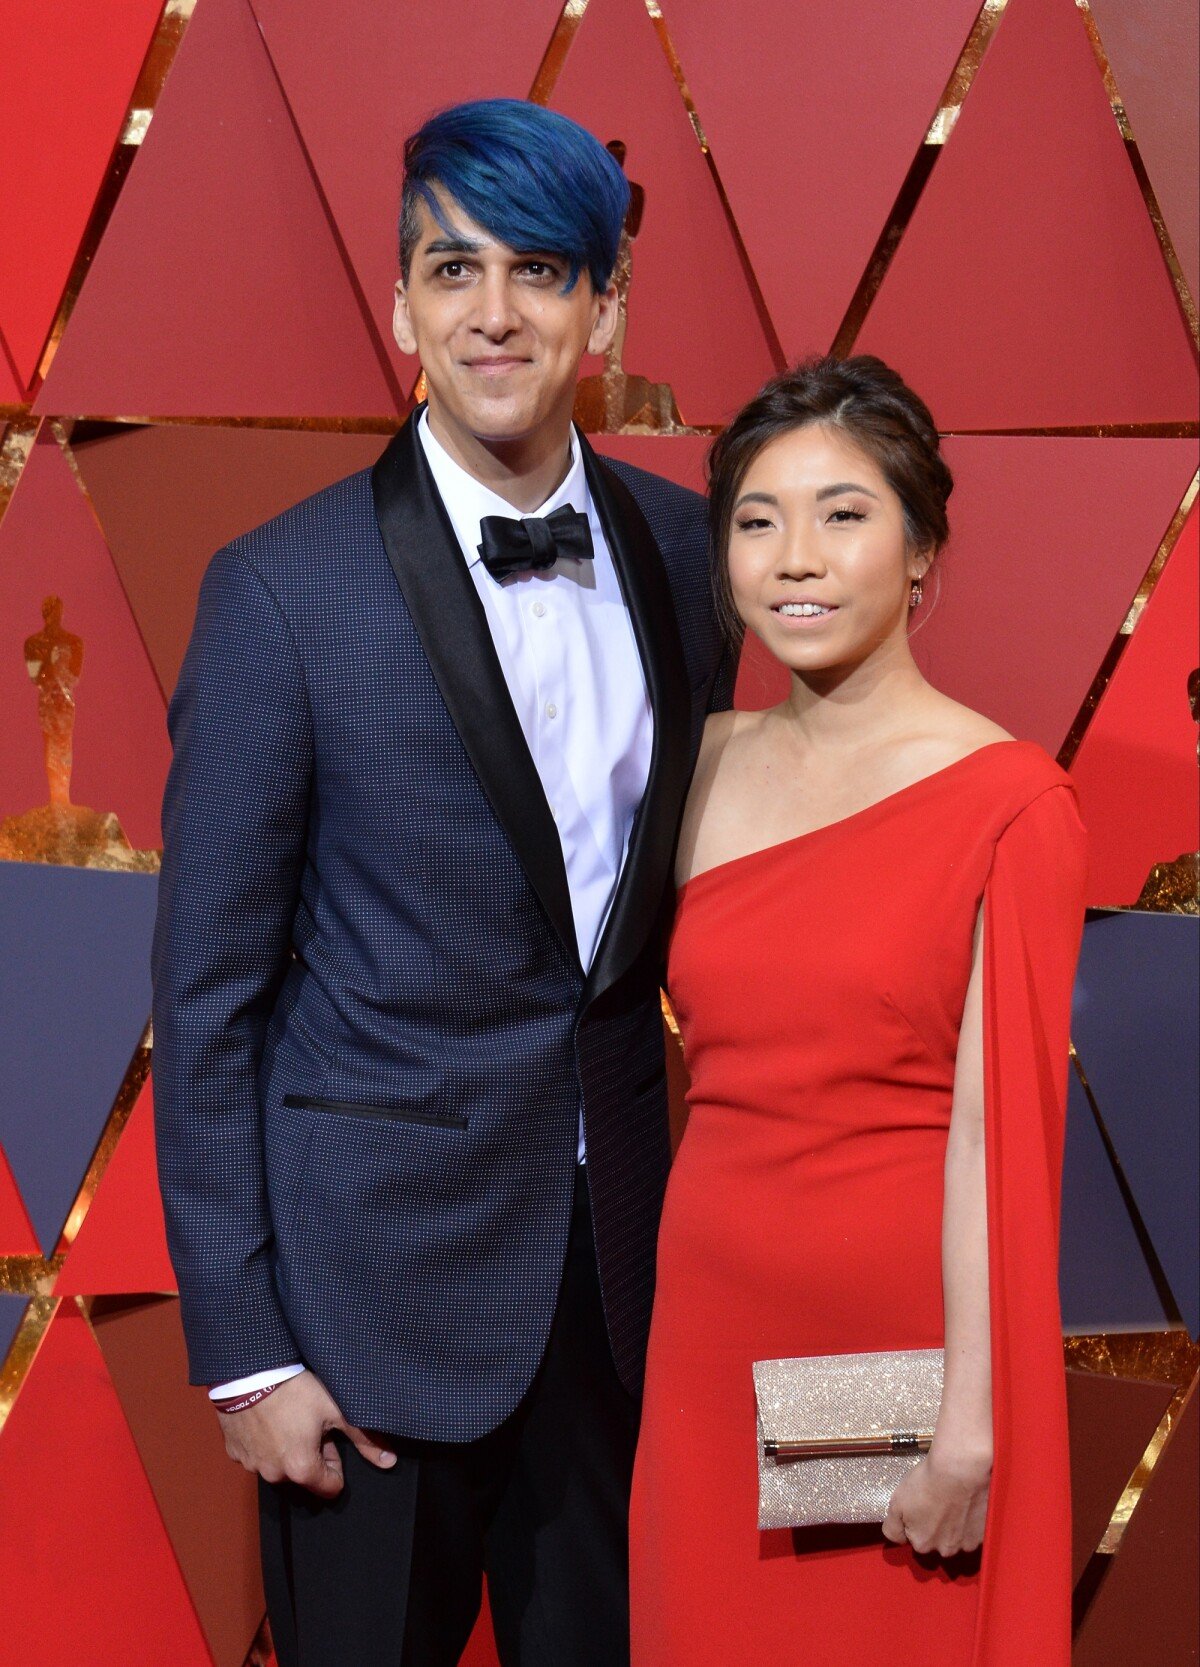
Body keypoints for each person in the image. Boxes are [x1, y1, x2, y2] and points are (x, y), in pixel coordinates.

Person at [152, 98, 732, 1667]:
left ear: (605, 306)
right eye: (450, 269)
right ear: (403, 303)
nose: (493, 313)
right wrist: (245, 1350)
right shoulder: (283, 590)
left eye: (539, 271)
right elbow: (206, 1002)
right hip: (360, 1327)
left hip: (621, 1309)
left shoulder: (696, 558)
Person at [629, 355, 1086, 1665]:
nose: (796, 558)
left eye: (843, 514)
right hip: (707, 1333)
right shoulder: (698, 762)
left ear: (923, 551)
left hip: (888, 1350)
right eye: (759, 520)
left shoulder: (1008, 802)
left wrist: (971, 1421)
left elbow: (997, 1139)